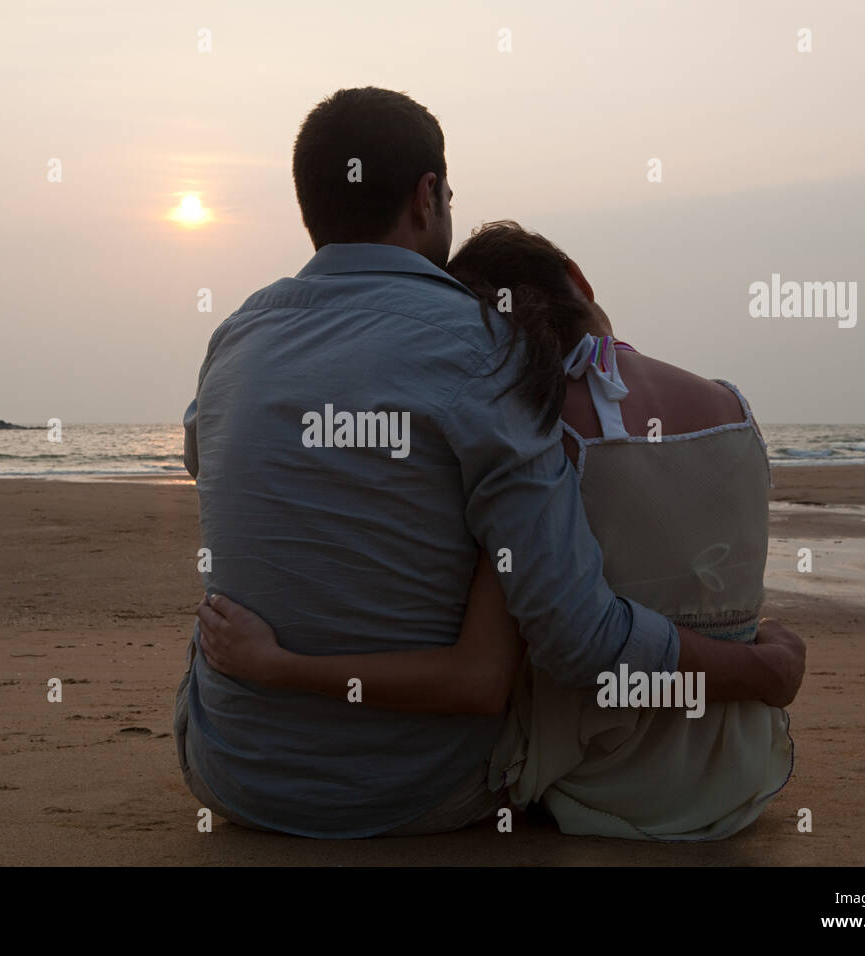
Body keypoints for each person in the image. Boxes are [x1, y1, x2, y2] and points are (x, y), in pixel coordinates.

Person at [177, 87, 805, 838]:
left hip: (227, 770)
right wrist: (762, 674)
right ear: (428, 195)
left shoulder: (235, 340)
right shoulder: (490, 352)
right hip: (420, 792)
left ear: (310, 206)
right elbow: (580, 642)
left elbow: (210, 462)